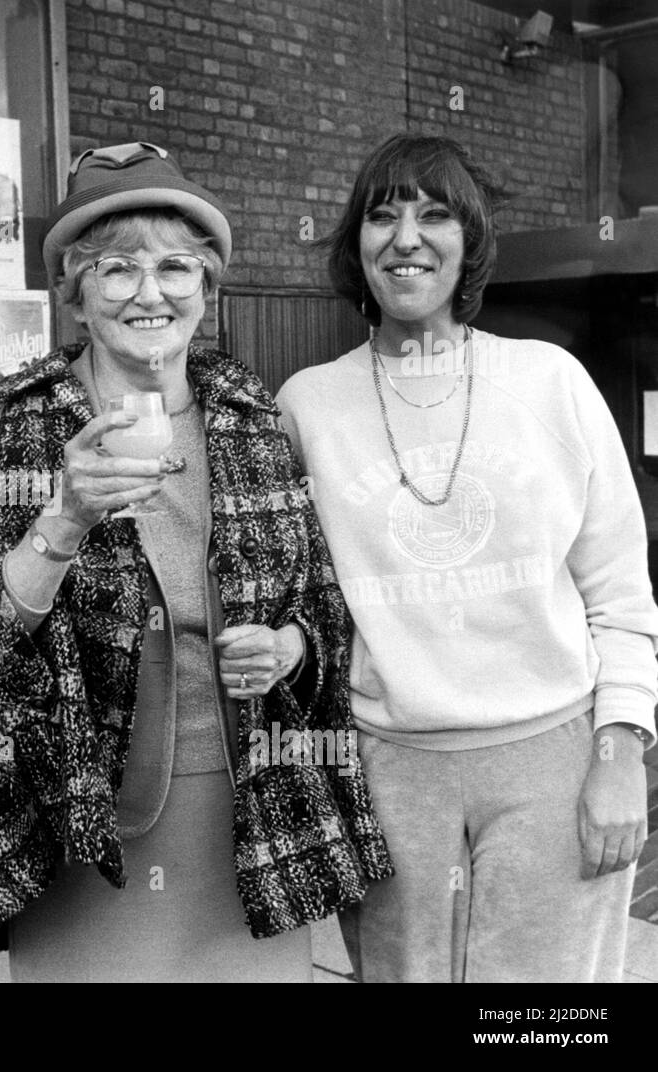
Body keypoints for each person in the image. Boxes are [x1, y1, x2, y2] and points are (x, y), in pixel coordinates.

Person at [0, 142, 392, 982]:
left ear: (207, 289)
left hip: (254, 813)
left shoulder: (251, 416)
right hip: (82, 819)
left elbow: (326, 607)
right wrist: (65, 519)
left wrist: (289, 647)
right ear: (75, 294)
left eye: (176, 267)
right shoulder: (21, 419)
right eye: (116, 270)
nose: (150, 294)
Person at [276, 133, 658, 982]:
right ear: (357, 244)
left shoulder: (551, 382)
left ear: (470, 241)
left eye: (435, 215)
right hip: (386, 768)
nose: (406, 238)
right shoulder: (308, 405)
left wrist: (621, 753)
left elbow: (620, 594)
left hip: (553, 761)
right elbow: (290, 597)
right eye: (383, 216)